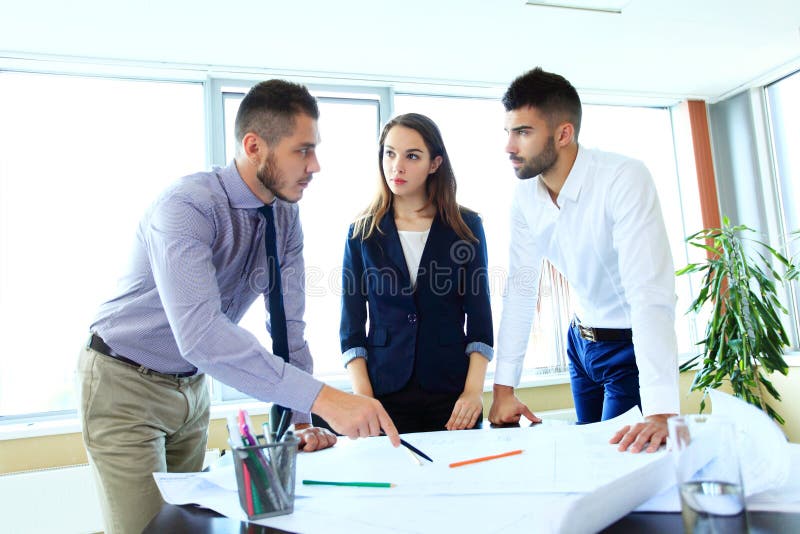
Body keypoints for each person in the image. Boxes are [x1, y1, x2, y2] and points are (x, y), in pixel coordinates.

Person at [77, 79, 400, 534]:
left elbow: (289, 328)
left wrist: (302, 419)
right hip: (124, 383)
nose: (316, 165)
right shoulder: (186, 207)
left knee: (186, 527)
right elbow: (203, 335)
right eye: (302, 151)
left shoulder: (285, 216)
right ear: (254, 146)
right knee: (147, 529)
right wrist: (327, 399)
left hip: (192, 390)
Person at [488, 67, 679, 453]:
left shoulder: (623, 178)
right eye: (508, 132)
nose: (509, 146)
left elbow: (649, 294)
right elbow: (522, 293)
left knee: (619, 465)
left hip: (628, 348)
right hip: (581, 343)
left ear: (563, 133)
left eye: (523, 132)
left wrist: (661, 411)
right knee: (587, 463)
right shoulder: (525, 197)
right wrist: (503, 389)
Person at [340, 113, 494, 434]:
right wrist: (364, 398)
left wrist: (473, 392)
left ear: (435, 164)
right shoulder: (361, 233)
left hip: (452, 395)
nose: (397, 166)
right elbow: (351, 327)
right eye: (390, 153)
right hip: (382, 395)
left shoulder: (466, 229)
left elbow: (480, 322)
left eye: (412, 156)